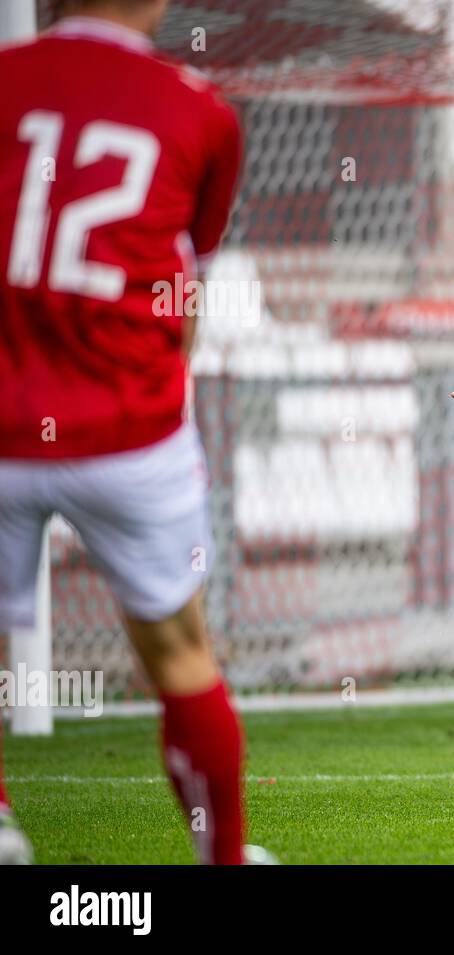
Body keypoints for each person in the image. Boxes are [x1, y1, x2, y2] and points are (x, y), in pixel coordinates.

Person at [0, 0, 254, 862]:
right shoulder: (200, 109)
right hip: (126, 426)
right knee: (182, 652)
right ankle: (220, 858)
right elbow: (185, 290)